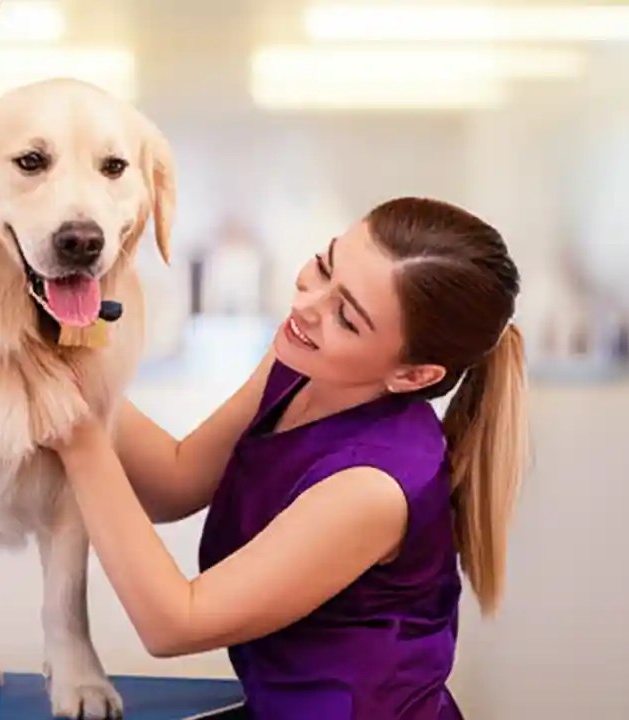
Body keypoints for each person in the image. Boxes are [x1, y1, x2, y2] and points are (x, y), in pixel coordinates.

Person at [50, 197, 527, 719]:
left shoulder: (374, 484)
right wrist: (75, 365)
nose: (308, 305)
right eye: (324, 265)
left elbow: (173, 624)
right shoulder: (301, 364)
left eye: (346, 317)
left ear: (413, 376)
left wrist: (77, 433)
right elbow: (176, 480)